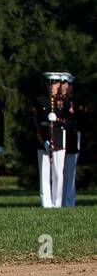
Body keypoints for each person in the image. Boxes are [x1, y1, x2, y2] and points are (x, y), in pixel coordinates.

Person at [35, 72, 66, 208]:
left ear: (59, 84)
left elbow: (70, 122)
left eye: (54, 83)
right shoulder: (40, 101)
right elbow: (35, 122)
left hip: (59, 140)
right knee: (44, 173)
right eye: (49, 83)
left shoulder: (64, 102)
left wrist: (58, 120)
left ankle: (57, 202)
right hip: (44, 141)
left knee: (58, 173)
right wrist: (42, 140)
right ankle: (46, 202)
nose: (51, 86)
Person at [60, 72, 80, 207]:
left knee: (70, 171)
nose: (66, 87)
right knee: (58, 172)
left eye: (69, 84)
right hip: (58, 138)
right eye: (64, 84)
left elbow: (77, 121)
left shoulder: (74, 102)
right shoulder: (56, 101)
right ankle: (59, 200)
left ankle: (69, 201)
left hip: (71, 139)